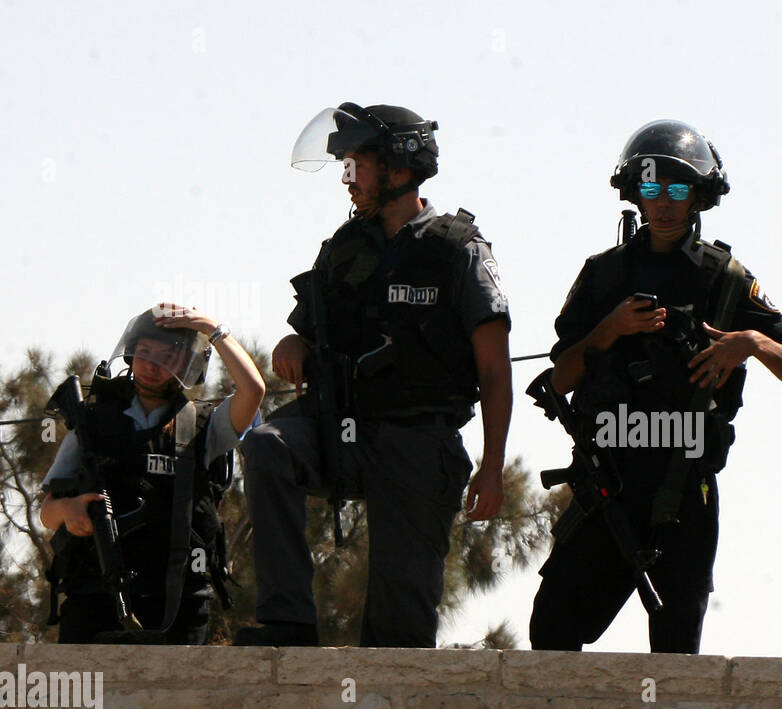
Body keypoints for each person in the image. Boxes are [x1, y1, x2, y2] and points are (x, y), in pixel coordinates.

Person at [529, 119, 782, 654]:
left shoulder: (725, 278)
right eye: (652, 187)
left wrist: (749, 342)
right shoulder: (602, 275)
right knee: (552, 630)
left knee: (677, 652)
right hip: (607, 486)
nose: (663, 202)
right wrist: (610, 329)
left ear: (698, 196)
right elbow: (559, 378)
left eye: (678, 188)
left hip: (683, 491)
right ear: (634, 191)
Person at [234, 103, 512, 648]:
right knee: (267, 445)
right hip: (338, 427)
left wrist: (494, 466)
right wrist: (294, 342)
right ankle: (288, 623)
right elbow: (307, 333)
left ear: (399, 171)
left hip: (418, 441)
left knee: (398, 633)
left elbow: (494, 370)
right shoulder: (345, 246)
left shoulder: (458, 250)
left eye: (356, 166)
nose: (347, 181)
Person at [42, 305, 264, 644]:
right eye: (144, 352)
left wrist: (212, 329)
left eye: (167, 356)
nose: (152, 365)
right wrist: (70, 512)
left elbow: (253, 390)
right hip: (95, 597)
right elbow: (48, 511)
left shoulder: (201, 425)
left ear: (188, 365)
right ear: (131, 353)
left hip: (179, 602)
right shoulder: (92, 423)